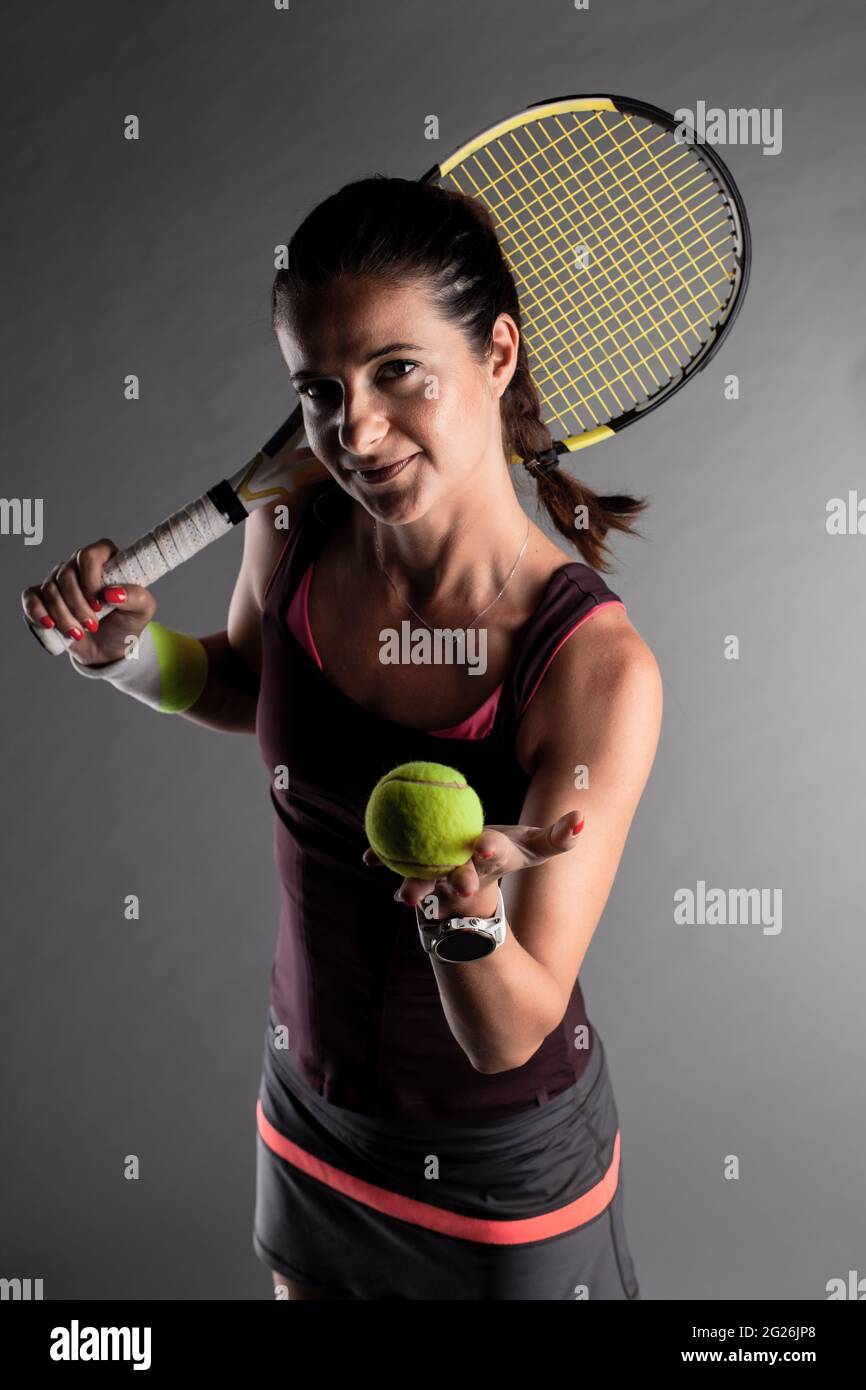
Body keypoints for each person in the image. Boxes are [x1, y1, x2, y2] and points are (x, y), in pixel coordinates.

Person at [22, 175, 663, 1300]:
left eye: (396, 372)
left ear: (497, 352)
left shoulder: (595, 671)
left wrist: (462, 920)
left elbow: (508, 1030)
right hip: (310, 1110)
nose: (354, 431)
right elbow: (242, 686)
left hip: (495, 1166)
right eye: (318, 388)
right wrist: (119, 654)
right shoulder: (295, 522)